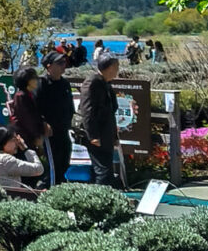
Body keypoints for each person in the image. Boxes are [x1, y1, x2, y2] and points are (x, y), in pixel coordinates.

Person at [78, 55, 122, 187]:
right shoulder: (92, 82)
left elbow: (111, 110)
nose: (118, 70)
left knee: (107, 170)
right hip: (97, 135)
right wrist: (93, 136)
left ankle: (105, 198)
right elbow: (87, 111)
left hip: (106, 133)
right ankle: (98, 200)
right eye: (116, 67)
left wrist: (114, 135)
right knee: (102, 171)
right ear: (109, 68)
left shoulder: (106, 83)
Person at [36, 52, 75, 186]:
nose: (63, 66)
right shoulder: (41, 84)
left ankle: (58, 184)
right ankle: (48, 186)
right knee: (53, 162)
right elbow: (35, 108)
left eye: (64, 62)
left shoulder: (64, 84)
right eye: (59, 63)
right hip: (49, 133)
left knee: (65, 159)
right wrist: (43, 124)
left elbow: (69, 106)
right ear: (49, 66)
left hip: (63, 130)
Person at [0, 126, 46, 190]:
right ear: (2, 141)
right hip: (5, 198)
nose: (17, 143)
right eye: (13, 140)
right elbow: (39, 169)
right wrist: (26, 149)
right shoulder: (6, 159)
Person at [7, 67, 46, 160]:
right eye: (34, 78)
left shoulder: (29, 94)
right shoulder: (21, 96)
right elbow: (28, 119)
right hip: (25, 138)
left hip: (28, 137)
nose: (37, 80)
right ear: (27, 80)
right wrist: (36, 136)